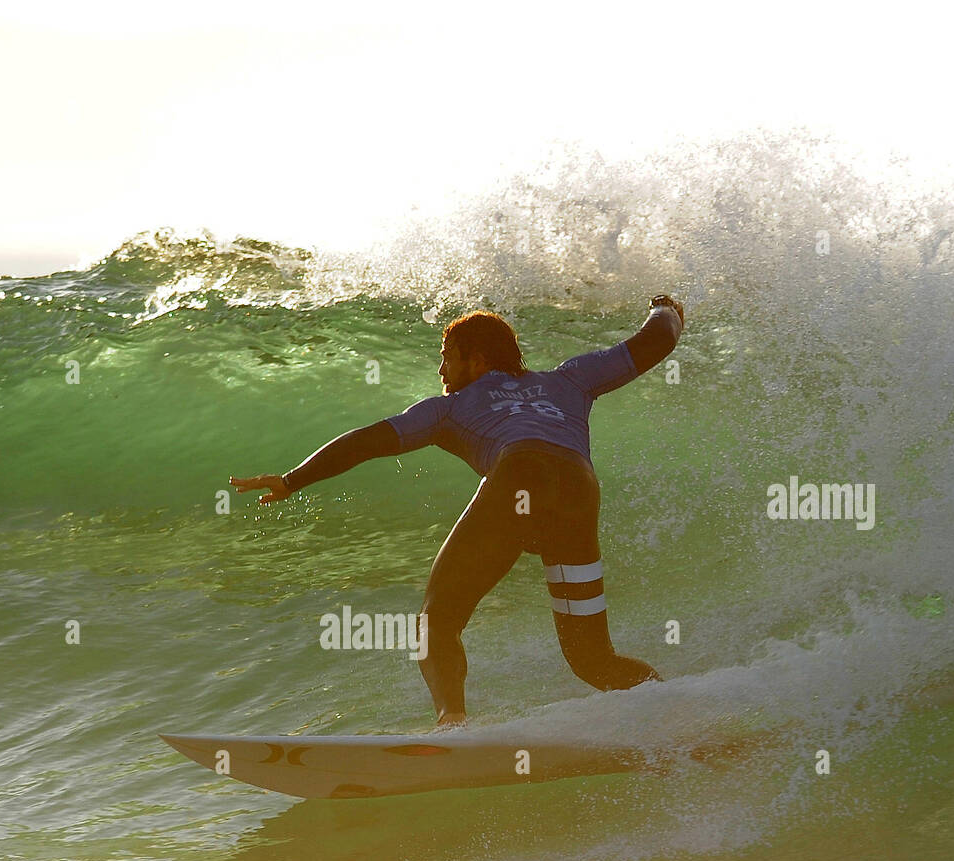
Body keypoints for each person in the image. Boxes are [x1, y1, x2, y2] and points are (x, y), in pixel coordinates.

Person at [231, 297, 684, 726]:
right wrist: (666, 307)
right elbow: (655, 341)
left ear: (479, 361)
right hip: (577, 492)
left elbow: (367, 441)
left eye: (448, 356)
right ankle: (677, 716)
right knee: (593, 659)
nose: (441, 369)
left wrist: (292, 480)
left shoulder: (447, 409)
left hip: (518, 476)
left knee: (436, 621)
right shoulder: (571, 379)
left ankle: (452, 722)